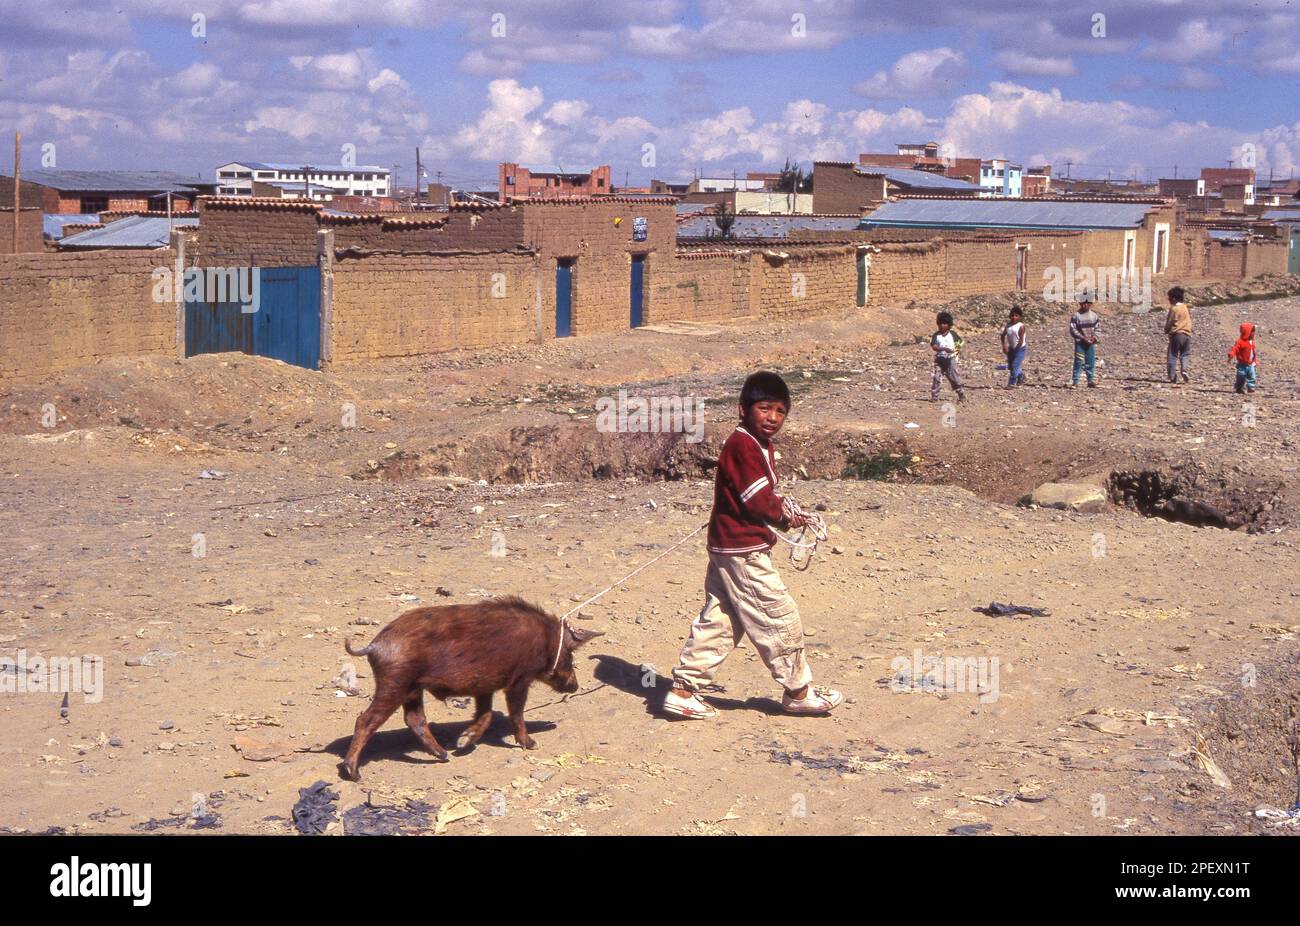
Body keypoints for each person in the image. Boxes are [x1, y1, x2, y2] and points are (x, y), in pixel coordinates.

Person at [663, 371, 843, 720]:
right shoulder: (743, 445)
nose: (773, 418)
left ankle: (683, 690)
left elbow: (755, 496)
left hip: (727, 547)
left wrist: (782, 508)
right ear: (743, 408)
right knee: (778, 615)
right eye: (764, 408)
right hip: (742, 550)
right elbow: (757, 501)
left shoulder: (755, 444)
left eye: (780, 411)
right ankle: (798, 691)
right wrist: (785, 515)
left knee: (721, 619)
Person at [930, 311, 966, 401]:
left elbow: (960, 343)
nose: (942, 325)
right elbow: (934, 346)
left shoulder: (952, 334)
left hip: (951, 359)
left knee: (953, 377)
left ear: (949, 325)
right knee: (937, 377)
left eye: (945, 323)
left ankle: (961, 393)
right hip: (940, 359)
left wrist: (956, 350)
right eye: (941, 323)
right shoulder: (936, 335)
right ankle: (935, 396)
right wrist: (943, 349)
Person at [1069, 291, 1101, 388]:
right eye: (1083, 303)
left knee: (1090, 361)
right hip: (1080, 343)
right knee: (1078, 361)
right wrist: (1082, 337)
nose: (1085, 305)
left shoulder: (1094, 316)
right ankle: (1075, 381)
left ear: (1091, 304)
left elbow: (1098, 328)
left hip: (1090, 343)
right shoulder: (1076, 316)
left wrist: (1094, 338)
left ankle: (1090, 380)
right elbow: (1073, 329)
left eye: (1087, 303)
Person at [1164, 286, 1192, 384]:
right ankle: (1184, 369)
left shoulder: (1174, 309)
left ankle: (1172, 376)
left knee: (1172, 355)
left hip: (1177, 335)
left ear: (1174, 298)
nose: (1169, 300)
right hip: (1187, 335)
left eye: (1170, 298)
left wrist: (1166, 330)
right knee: (1185, 354)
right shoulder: (1185, 307)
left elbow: (1170, 321)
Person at [1228, 322, 1258, 394]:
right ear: (1247, 332)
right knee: (1241, 376)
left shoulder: (1251, 342)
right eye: (1252, 332)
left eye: (1253, 332)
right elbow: (1235, 348)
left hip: (1250, 363)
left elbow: (1253, 352)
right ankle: (1239, 388)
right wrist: (1231, 354)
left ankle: (1251, 387)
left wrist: (1254, 361)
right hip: (1242, 364)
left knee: (1252, 375)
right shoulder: (1240, 342)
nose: (1253, 334)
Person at [1001, 307, 1027, 388]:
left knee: (1015, 365)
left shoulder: (1021, 326)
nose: (1014, 317)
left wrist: (1016, 350)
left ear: (1020, 317)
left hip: (1020, 349)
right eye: (1012, 315)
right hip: (1011, 348)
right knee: (1011, 366)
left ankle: (1011, 383)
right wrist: (1004, 346)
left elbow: (1021, 340)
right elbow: (1002, 336)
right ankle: (1021, 375)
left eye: (1016, 315)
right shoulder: (1008, 325)